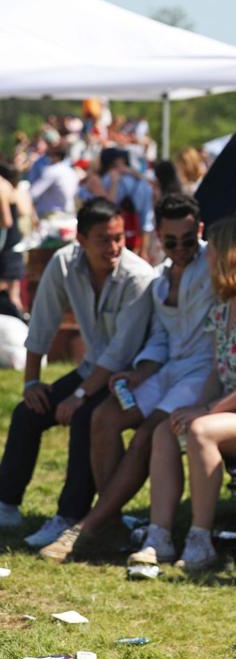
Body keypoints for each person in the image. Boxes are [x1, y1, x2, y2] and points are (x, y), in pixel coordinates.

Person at [38, 194, 216, 562]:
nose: (179, 249)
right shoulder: (161, 278)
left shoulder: (215, 262)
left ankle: (86, 528)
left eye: (187, 240)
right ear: (158, 236)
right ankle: (113, 523)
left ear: (199, 231)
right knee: (104, 418)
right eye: (170, 241)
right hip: (168, 371)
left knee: (149, 433)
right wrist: (140, 371)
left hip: (205, 373)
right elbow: (163, 337)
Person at [130, 216, 236, 571]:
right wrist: (192, 406)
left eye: (211, 252)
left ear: (229, 256)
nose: (205, 258)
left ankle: (200, 540)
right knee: (165, 430)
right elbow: (218, 374)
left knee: (201, 430)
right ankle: (159, 536)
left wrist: (206, 409)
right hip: (234, 411)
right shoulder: (222, 311)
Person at [0, 198, 156, 546]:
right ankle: (6, 504)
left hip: (132, 374)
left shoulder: (139, 276)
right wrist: (31, 383)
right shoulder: (63, 263)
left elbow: (121, 354)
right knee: (29, 411)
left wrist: (79, 395)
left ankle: (69, 515)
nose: (115, 247)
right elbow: (41, 325)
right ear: (81, 241)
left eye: (120, 237)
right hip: (93, 368)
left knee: (85, 417)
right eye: (104, 239)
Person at [84, 147, 156, 256]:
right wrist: (144, 250)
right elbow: (146, 220)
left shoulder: (105, 179)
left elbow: (107, 207)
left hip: (107, 241)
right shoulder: (142, 183)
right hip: (135, 242)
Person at [0, 163, 29, 319]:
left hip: (8, 248)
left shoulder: (1, 186)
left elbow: (7, 221)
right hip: (13, 245)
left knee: (12, 297)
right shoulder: (8, 186)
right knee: (13, 295)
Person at [29, 142, 79, 219]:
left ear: (56, 157)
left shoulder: (52, 171)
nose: (48, 158)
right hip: (69, 213)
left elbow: (33, 193)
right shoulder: (71, 171)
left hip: (52, 215)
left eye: (50, 155)